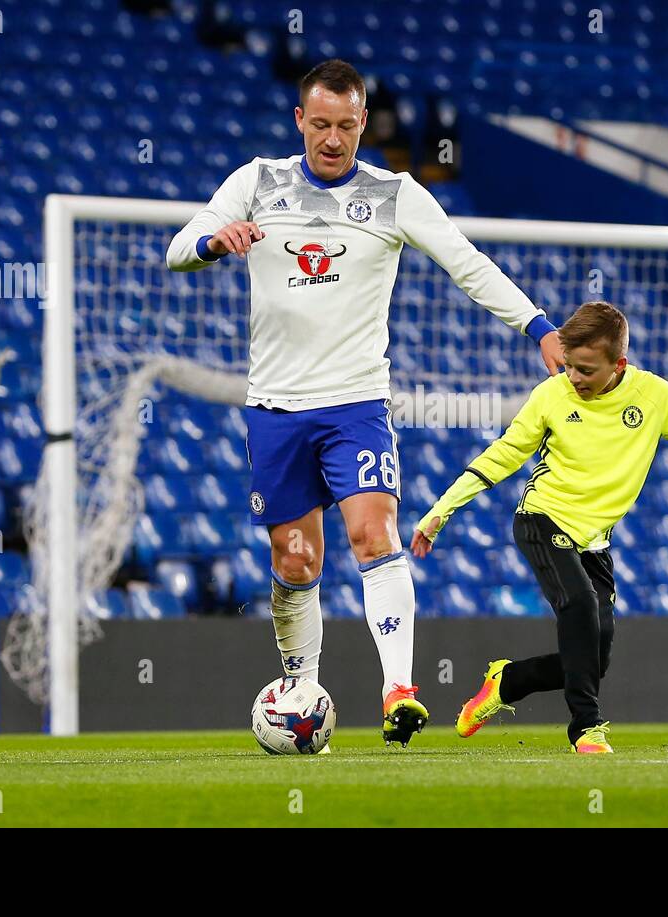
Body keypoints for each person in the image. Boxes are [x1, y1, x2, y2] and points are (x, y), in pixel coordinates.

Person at [166, 59, 564, 746]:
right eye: (319, 124)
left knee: (373, 534)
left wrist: (537, 325)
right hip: (276, 408)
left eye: (346, 126)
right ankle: (301, 687)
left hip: (356, 404)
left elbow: (467, 262)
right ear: (299, 120)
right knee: (296, 561)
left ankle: (399, 691)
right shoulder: (256, 181)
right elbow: (177, 251)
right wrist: (212, 241)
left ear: (362, 122)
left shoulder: (395, 193)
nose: (332, 138)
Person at [411, 301, 668, 753]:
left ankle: (508, 682)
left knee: (592, 659)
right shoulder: (551, 396)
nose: (573, 378)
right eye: (568, 367)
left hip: (594, 542)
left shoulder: (652, 396)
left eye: (585, 369)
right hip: (542, 520)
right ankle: (586, 727)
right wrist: (440, 511)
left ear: (618, 364)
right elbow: (502, 455)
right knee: (579, 606)